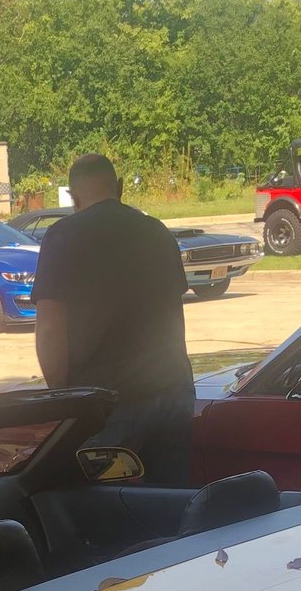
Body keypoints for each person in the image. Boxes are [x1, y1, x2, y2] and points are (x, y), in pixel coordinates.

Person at [33, 153, 195, 486]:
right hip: (173, 393)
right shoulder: (156, 232)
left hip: (106, 405)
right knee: (172, 506)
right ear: (119, 187)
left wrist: (62, 398)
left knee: (111, 513)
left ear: (73, 196)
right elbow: (173, 313)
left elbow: (49, 330)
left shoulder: (62, 237)